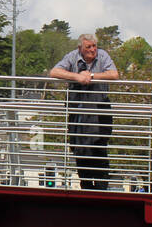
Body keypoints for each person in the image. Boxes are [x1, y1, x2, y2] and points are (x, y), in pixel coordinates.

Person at [49, 34, 120, 190]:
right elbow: (54, 72)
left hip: (99, 108)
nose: (93, 50)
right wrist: (77, 77)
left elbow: (114, 74)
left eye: (94, 46)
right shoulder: (72, 56)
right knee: (79, 147)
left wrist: (92, 76)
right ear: (80, 48)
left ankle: (101, 187)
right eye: (88, 47)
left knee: (99, 146)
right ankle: (86, 185)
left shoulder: (103, 55)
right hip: (78, 111)